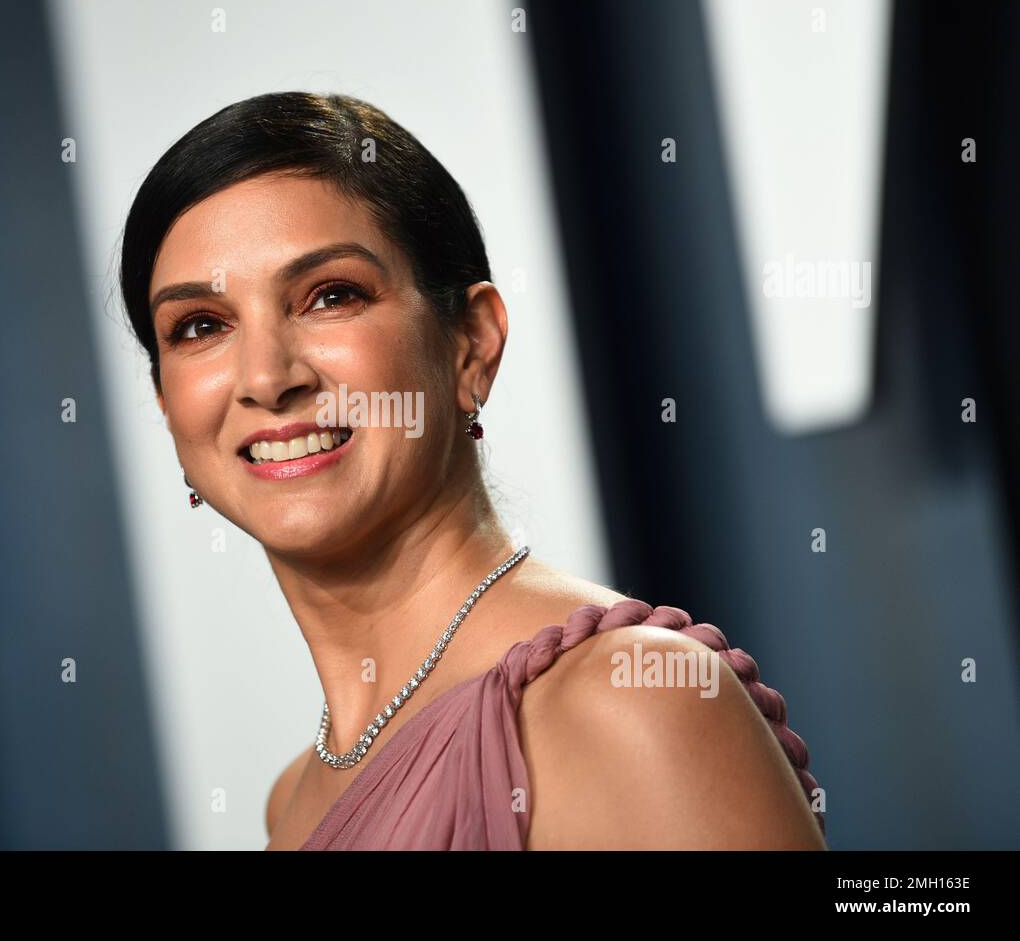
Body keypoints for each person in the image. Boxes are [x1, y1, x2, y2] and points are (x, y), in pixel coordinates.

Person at [119, 91, 826, 850]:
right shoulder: (291, 801)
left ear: (472, 342)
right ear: (166, 401)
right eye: (200, 326)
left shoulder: (631, 700)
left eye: (331, 296)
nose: (265, 376)